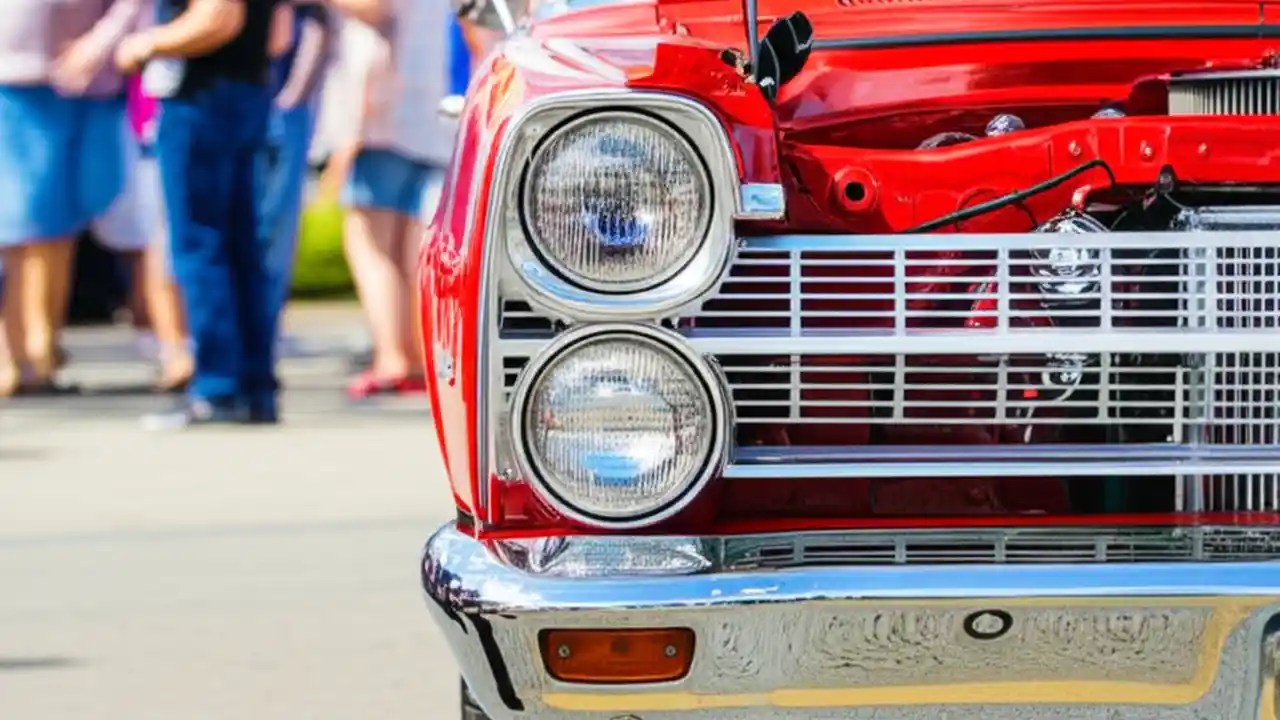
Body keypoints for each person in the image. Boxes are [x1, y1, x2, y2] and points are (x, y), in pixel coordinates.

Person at [116, 0, 290, 428]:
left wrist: (145, 43)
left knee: (201, 245)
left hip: (202, 96)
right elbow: (276, 35)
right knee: (238, 248)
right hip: (241, 89)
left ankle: (219, 387)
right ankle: (251, 385)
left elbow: (218, 15)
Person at [0, 0, 147, 396]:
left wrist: (99, 44)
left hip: (83, 83)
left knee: (57, 223)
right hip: (13, 80)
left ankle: (40, 349)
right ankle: (15, 354)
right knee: (17, 221)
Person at [323, 0, 455, 400]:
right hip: (428, 106)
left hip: (385, 110)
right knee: (410, 246)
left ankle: (394, 357)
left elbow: (375, 7)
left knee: (370, 241)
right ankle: (414, 356)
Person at [260, 1, 333, 335]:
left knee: (274, 227)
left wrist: (294, 96)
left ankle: (262, 330)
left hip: (285, 101)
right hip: (250, 91)